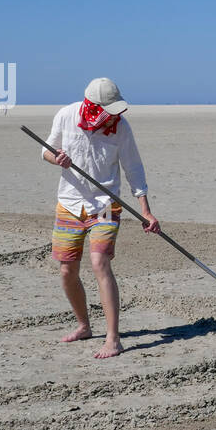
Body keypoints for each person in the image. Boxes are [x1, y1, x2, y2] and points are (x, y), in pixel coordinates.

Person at [41, 77, 160, 358]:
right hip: (69, 204)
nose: (115, 115)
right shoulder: (66, 115)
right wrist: (55, 158)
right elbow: (45, 150)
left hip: (106, 204)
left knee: (99, 262)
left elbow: (134, 169)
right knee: (67, 269)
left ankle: (113, 338)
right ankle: (84, 326)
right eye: (110, 109)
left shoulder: (121, 128)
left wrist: (145, 210)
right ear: (92, 106)